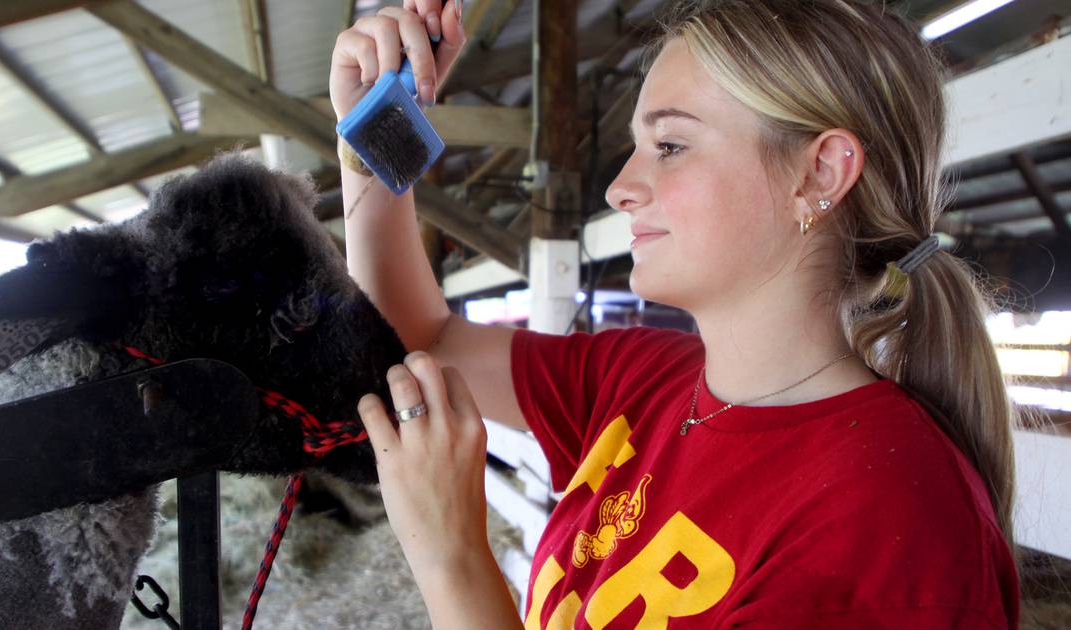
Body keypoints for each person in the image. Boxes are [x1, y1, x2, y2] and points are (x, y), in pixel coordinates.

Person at [330, 0, 1023, 627]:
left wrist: (452, 558)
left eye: (670, 146)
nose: (620, 188)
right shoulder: (642, 377)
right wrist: (374, 131)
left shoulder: (890, 531)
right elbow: (421, 337)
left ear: (818, 174)